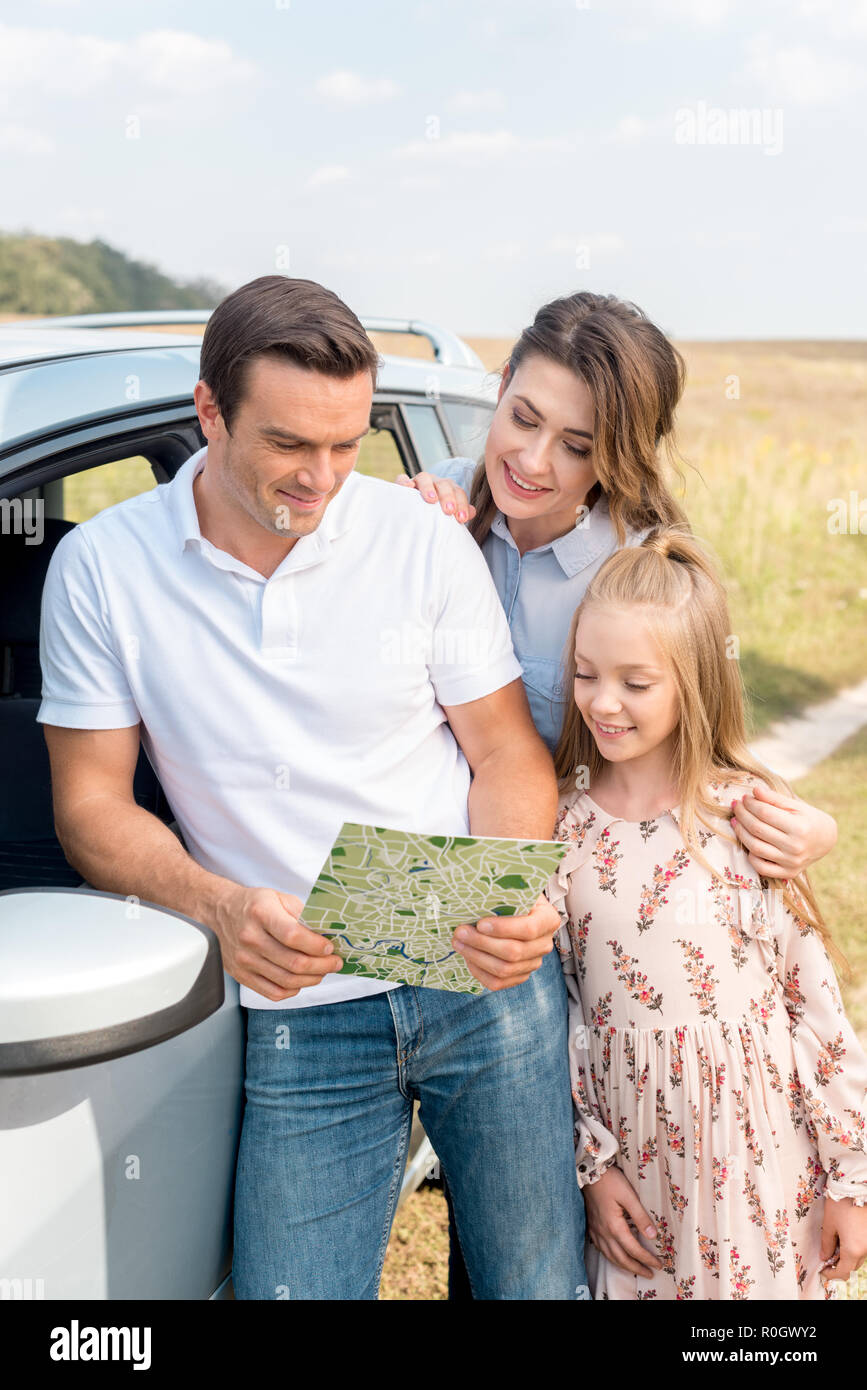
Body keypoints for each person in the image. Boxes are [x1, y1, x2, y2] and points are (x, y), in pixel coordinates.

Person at [36, 275, 586, 1300]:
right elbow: (89, 806)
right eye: (290, 444)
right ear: (210, 412)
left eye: (348, 444)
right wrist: (219, 905)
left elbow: (507, 750)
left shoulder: (420, 541)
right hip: (295, 1004)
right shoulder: (104, 570)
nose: (324, 478)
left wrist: (505, 885)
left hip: (480, 975)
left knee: (539, 1286)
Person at [395, 291, 839, 1295]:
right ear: (497, 395)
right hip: (448, 911)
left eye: (577, 443)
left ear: (621, 454)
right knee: (490, 1217)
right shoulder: (444, 530)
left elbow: (690, 737)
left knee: (527, 1244)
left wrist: (804, 819)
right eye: (523, 419)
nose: (536, 461)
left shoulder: (630, 572)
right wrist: (415, 530)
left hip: (576, 929)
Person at [545, 525, 867, 1299]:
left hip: (761, 1163)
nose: (603, 700)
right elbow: (557, 1019)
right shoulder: (561, 831)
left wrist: (849, 1180)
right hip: (637, 1167)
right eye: (586, 674)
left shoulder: (743, 817)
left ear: (693, 681)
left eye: (635, 682)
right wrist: (591, 1168)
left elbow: (812, 1006)